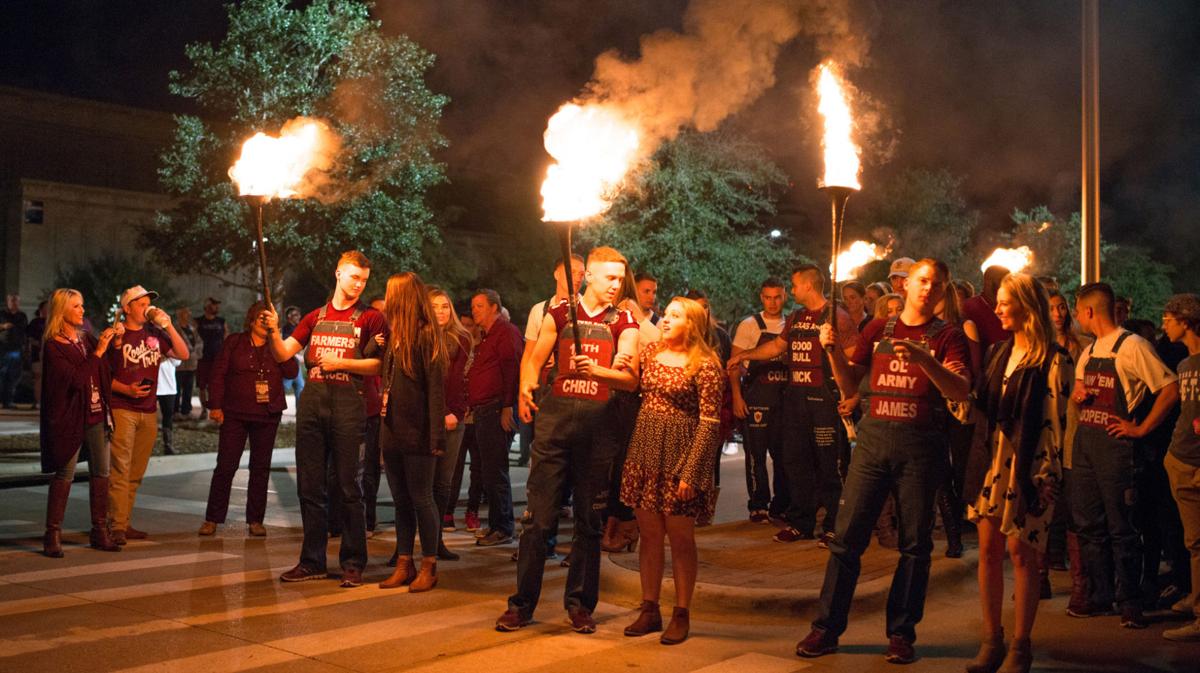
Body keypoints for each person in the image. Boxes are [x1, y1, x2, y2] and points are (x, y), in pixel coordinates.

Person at [798, 258, 972, 664]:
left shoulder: (948, 336)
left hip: (920, 448)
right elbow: (848, 382)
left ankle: (901, 634)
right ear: (907, 285)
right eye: (923, 281)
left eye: (938, 284)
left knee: (915, 546)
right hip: (874, 443)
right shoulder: (878, 329)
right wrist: (831, 353)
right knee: (846, 541)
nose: (929, 288)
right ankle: (825, 629)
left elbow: (961, 390)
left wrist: (925, 360)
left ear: (943, 292)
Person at [496, 246, 640, 633]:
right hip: (555, 429)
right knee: (537, 522)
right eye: (609, 277)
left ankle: (580, 606)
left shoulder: (624, 319)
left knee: (588, 523)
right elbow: (534, 357)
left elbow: (629, 378)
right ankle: (521, 605)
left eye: (620, 278)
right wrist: (526, 387)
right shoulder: (559, 314)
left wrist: (599, 371)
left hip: (598, 433)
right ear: (588, 276)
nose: (616, 285)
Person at [963, 273, 1070, 673]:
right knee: (988, 552)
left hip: (1030, 467)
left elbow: (1058, 423)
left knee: (1021, 554)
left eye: (1006, 301)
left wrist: (1048, 477)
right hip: (992, 463)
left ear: (1027, 305)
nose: (998, 307)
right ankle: (992, 639)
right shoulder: (997, 353)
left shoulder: (1054, 360)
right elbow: (981, 408)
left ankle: (1021, 647)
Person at [264, 251, 387, 588]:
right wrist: (274, 332)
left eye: (363, 279)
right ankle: (311, 560)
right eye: (353, 277)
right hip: (313, 406)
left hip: (350, 407)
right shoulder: (315, 317)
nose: (359, 285)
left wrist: (342, 364)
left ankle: (353, 562)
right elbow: (283, 353)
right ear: (338, 274)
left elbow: (379, 366)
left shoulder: (372, 319)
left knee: (350, 487)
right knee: (310, 487)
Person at [1068, 282, 1178, 628]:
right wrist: (1079, 392)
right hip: (1086, 444)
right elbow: (1077, 390)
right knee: (1089, 526)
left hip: (1117, 449)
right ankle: (1102, 596)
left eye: (1077, 310)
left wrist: (1141, 428)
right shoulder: (1088, 351)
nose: (1075, 317)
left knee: (1121, 527)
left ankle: (1130, 601)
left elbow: (1170, 388)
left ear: (1088, 311)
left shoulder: (1133, 346)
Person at [728, 265, 858, 545]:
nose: (793, 290)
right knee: (795, 463)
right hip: (796, 401)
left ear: (808, 286)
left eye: (795, 285)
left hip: (825, 400)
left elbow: (854, 362)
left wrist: (852, 395)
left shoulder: (837, 316)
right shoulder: (797, 317)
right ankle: (801, 523)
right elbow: (777, 347)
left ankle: (835, 526)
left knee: (830, 467)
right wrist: (746, 355)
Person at [620, 296, 724, 645]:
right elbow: (630, 380)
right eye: (666, 314)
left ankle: (681, 612)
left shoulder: (706, 365)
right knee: (649, 535)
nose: (665, 320)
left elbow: (710, 423)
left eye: (675, 316)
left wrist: (692, 473)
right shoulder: (650, 354)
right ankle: (649, 608)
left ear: (691, 325)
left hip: (681, 454)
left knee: (681, 538)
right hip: (645, 450)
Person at [199, 301, 298, 537]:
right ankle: (212, 518)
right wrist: (216, 406)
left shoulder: (277, 345)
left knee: (260, 468)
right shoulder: (234, 342)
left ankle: (255, 519)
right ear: (252, 320)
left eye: (269, 319)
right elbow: (218, 374)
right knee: (225, 465)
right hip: (235, 413)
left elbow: (292, 372)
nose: (265, 323)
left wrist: (277, 338)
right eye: (262, 318)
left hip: (268, 413)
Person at [377, 272, 448, 592]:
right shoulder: (395, 334)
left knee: (422, 498)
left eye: (392, 293)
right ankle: (404, 563)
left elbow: (435, 391)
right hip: (391, 429)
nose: (387, 298)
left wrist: (436, 438)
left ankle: (429, 566)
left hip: (418, 431)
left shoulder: (426, 335)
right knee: (400, 499)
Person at [39, 289, 120, 556]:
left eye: (82, 305)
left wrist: (114, 345)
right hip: (70, 417)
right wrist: (97, 353)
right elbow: (75, 380)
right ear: (62, 310)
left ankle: (99, 530)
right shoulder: (54, 346)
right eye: (76, 306)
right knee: (65, 473)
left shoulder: (85, 339)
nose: (82, 310)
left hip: (97, 414)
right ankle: (52, 533)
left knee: (102, 472)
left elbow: (108, 367)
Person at [107, 285, 190, 545]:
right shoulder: (116, 335)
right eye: (141, 304)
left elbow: (183, 354)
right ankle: (116, 525)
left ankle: (124, 521)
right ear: (127, 308)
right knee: (120, 468)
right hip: (123, 409)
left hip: (148, 410)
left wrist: (168, 326)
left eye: (148, 303)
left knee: (136, 470)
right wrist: (126, 389)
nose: (147, 308)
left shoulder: (154, 335)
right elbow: (101, 375)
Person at [1047, 288, 1094, 613]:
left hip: (1073, 429)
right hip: (1044, 431)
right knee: (1042, 506)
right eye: (1052, 308)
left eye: (1062, 307)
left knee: (1075, 510)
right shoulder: (1037, 346)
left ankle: (1082, 586)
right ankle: (1037, 577)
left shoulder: (1082, 346)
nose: (1059, 313)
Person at [729, 278, 790, 525]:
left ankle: (781, 504)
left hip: (785, 400)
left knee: (785, 456)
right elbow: (734, 365)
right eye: (768, 297)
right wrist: (736, 396)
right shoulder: (749, 325)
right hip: (756, 399)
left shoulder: (791, 324)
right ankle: (758, 506)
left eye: (777, 297)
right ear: (761, 297)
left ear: (784, 296)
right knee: (756, 455)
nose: (772, 302)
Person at [468, 288, 523, 547]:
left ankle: (503, 527)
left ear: (494, 307)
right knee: (488, 472)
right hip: (483, 410)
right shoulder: (486, 337)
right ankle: (496, 524)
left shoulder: (506, 332)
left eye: (479, 306)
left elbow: (512, 369)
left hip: (496, 409)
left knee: (496, 471)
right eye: (473, 306)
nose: (474, 310)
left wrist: (507, 406)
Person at [1160, 293, 1200, 641]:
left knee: (1197, 541)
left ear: (1185, 321)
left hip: (1195, 463)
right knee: (1192, 540)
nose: (1163, 325)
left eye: (1169, 318)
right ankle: (1195, 597)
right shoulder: (1186, 365)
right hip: (1181, 458)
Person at [428, 286, 472, 560]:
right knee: (419, 485)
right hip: (426, 417)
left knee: (443, 483)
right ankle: (406, 546)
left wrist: (456, 411)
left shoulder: (462, 338)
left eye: (445, 306)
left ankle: (435, 542)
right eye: (434, 307)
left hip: (453, 418)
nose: (441, 311)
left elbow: (460, 381)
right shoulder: (419, 337)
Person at [962, 265, 1010, 352]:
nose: (1008, 285)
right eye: (1002, 280)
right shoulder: (969, 307)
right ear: (988, 282)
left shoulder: (1009, 308)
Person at [195, 298, 228, 421]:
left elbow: (226, 337)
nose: (216, 308)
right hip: (203, 359)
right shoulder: (198, 321)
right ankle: (204, 410)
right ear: (207, 306)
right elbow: (193, 337)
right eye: (214, 305)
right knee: (202, 386)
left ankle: (217, 409)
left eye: (217, 305)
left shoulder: (221, 321)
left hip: (218, 359)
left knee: (217, 385)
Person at [0, 293, 28, 409]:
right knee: (1, 375)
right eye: (12, 300)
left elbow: (25, 332)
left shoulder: (22, 316)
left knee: (13, 376)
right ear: (7, 301)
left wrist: (26, 348)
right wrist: (3, 326)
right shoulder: (2, 314)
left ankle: (9, 401)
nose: (14, 303)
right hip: (2, 349)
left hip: (16, 350)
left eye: (16, 300)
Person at [174, 307, 201, 419]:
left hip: (191, 364)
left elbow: (199, 342)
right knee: (177, 388)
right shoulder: (175, 329)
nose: (187, 316)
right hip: (179, 365)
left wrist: (197, 354)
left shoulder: (192, 329)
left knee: (188, 388)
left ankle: (186, 410)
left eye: (188, 313)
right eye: (184, 313)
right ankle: (175, 411)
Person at [156, 352, 181, 455]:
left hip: (168, 388)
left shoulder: (170, 349)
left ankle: (168, 445)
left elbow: (178, 361)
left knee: (168, 417)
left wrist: (167, 354)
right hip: (152, 387)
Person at [280, 306, 305, 402]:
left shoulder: (296, 328)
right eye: (295, 315)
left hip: (295, 365)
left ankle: (299, 415)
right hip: (288, 365)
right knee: (284, 387)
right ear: (289, 316)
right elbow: (286, 345)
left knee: (300, 387)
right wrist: (298, 356)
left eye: (299, 315)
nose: (298, 317)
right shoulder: (286, 329)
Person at [28, 301, 47, 410]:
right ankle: (38, 401)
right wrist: (40, 344)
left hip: (50, 355)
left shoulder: (53, 322)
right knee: (38, 377)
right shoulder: (35, 322)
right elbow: (30, 338)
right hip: (37, 354)